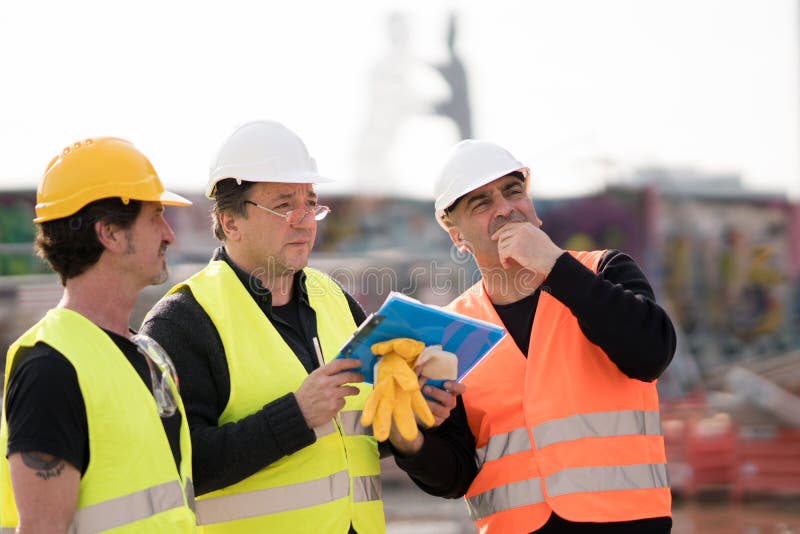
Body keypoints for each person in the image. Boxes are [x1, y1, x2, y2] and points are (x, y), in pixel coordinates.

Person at [140, 120, 463, 533]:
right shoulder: (182, 320)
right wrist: (294, 415)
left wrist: (405, 423)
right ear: (230, 221)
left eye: (310, 204)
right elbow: (175, 466)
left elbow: (347, 443)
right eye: (283, 205)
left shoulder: (335, 300)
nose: (304, 221)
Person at [393, 140, 677, 533]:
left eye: (513, 191)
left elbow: (651, 353)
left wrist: (553, 265)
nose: (505, 208)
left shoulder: (603, 272)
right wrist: (409, 441)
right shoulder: (453, 329)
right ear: (456, 234)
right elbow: (455, 476)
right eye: (481, 203)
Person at [0, 137, 196, 533]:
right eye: (155, 217)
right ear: (110, 233)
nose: (169, 235)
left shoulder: (144, 352)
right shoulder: (49, 369)